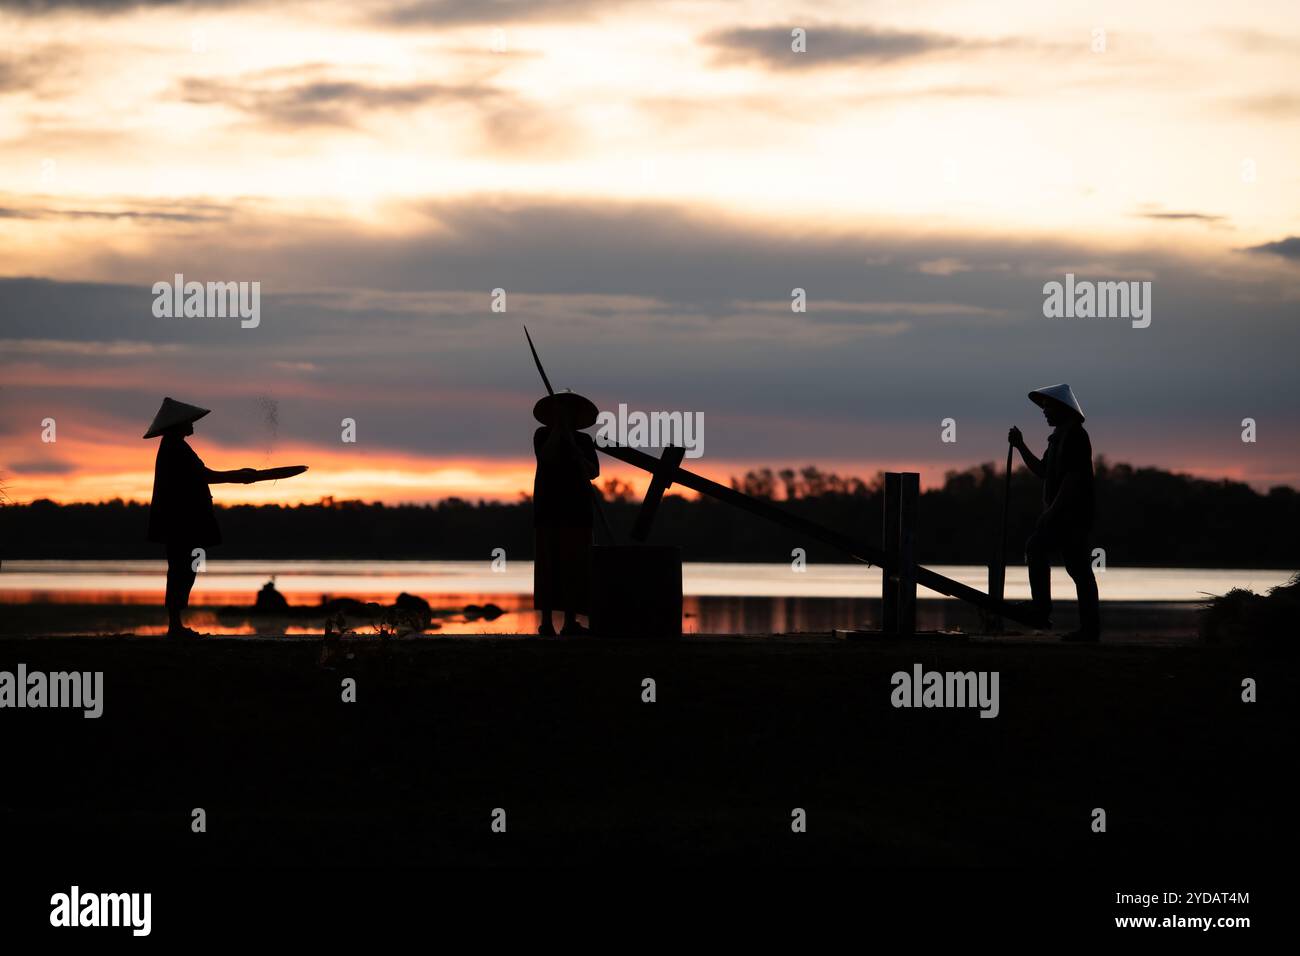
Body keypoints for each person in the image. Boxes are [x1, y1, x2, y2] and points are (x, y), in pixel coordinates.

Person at [144, 397, 259, 639]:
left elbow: (200, 476)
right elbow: (204, 476)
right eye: (189, 421)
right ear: (178, 424)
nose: (193, 424)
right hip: (180, 523)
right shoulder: (174, 447)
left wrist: (236, 476)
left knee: (183, 569)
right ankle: (175, 626)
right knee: (181, 570)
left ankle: (176, 624)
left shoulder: (175, 446)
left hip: (182, 522)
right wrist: (237, 476)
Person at [1008, 383, 1100, 642]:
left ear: (1062, 409)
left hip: (1072, 516)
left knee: (1064, 562)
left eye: (1048, 407)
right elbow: (1042, 470)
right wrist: (1020, 445)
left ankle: (1046, 611)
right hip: (1064, 515)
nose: (1044, 412)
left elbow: (1073, 479)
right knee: (1074, 567)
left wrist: (1052, 511)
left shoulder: (1075, 437)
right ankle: (1068, 620)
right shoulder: (1059, 437)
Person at [532, 389, 600, 636]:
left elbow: (593, 472)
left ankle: (570, 621)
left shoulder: (583, 441)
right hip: (548, 509)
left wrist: (578, 454)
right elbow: (546, 457)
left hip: (578, 510)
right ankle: (547, 622)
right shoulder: (542, 435)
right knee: (549, 564)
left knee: (576, 565)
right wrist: (559, 431)